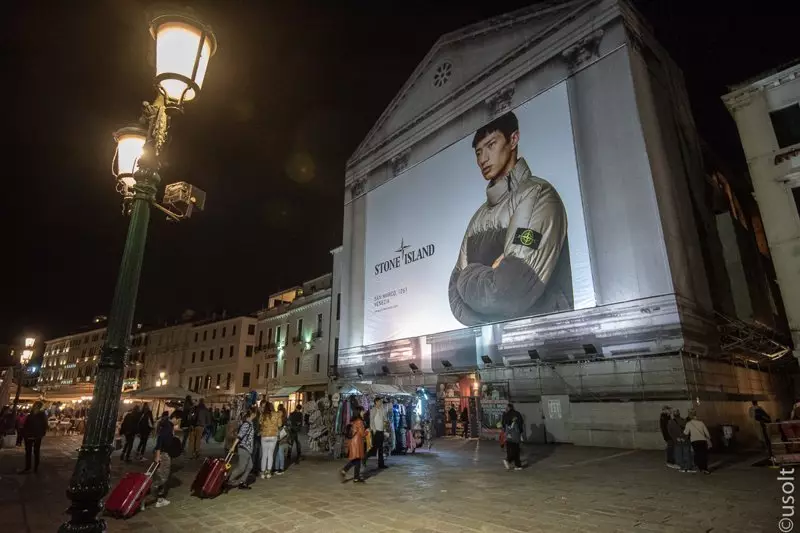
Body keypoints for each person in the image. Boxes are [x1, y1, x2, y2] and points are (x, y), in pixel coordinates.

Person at [448, 111, 572, 327]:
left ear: (513, 139)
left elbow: (510, 291)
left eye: (491, 145)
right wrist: (491, 278)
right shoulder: (477, 218)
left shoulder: (538, 195)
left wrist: (468, 274)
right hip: (498, 346)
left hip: (549, 342)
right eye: (478, 152)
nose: (483, 159)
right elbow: (455, 298)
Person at [149, 411, 175, 509]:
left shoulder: (165, 427)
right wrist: (158, 456)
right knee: (162, 477)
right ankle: (158, 498)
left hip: (162, 453)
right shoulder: (168, 429)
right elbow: (160, 443)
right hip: (163, 455)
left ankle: (151, 496)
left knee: (159, 476)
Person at [227, 407, 256, 490]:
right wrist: (233, 447)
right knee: (241, 467)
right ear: (253, 414)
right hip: (244, 448)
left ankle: (241, 482)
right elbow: (239, 436)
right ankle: (229, 480)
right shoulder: (246, 424)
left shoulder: (250, 423)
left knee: (250, 466)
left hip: (247, 449)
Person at [340, 406, 367, 483]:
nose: (363, 413)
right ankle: (346, 471)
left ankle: (355, 477)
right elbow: (362, 434)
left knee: (356, 460)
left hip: (353, 442)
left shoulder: (353, 421)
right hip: (357, 443)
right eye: (362, 411)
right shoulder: (359, 422)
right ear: (359, 412)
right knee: (357, 459)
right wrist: (368, 431)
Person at [19, 401, 47, 473]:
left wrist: (42, 433)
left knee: (34, 451)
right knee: (31, 451)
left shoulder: (40, 414)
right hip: (32, 435)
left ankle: (33, 467)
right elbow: (44, 425)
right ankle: (31, 467)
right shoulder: (35, 414)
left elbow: (44, 425)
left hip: (35, 435)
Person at [684, 410, 712, 474]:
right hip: (702, 440)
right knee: (703, 454)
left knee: (698, 454)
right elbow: (707, 433)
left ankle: (700, 467)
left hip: (694, 441)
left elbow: (685, 433)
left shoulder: (688, 424)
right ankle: (705, 468)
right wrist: (709, 438)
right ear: (695, 415)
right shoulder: (701, 423)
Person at [259, 403, 280, 479]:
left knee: (264, 455)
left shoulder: (263, 415)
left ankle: (262, 472)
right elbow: (280, 424)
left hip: (264, 436)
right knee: (270, 454)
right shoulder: (276, 415)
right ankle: (268, 472)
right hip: (273, 435)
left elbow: (260, 423)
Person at [502, 403, 524, 470]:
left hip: (508, 435)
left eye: (506, 407)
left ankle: (516, 465)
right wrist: (520, 433)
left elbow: (503, 424)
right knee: (516, 450)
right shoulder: (517, 414)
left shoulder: (505, 414)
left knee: (510, 450)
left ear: (508, 408)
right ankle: (510, 461)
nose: (506, 408)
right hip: (515, 435)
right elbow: (521, 423)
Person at [367, 398, 388, 469]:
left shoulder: (382, 410)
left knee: (381, 448)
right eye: (379, 402)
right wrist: (373, 430)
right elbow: (371, 421)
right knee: (374, 448)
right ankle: (364, 458)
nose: (380, 403)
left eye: (381, 402)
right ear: (376, 402)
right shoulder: (372, 410)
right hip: (376, 431)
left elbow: (385, 420)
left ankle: (381, 464)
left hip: (381, 431)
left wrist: (385, 429)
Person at [276, 406, 289, 475]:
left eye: (280, 413)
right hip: (278, 439)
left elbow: (286, 430)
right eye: (278, 412)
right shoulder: (278, 419)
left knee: (280, 453)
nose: (278, 414)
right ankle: (277, 468)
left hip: (283, 439)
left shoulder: (285, 421)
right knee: (278, 454)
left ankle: (281, 468)